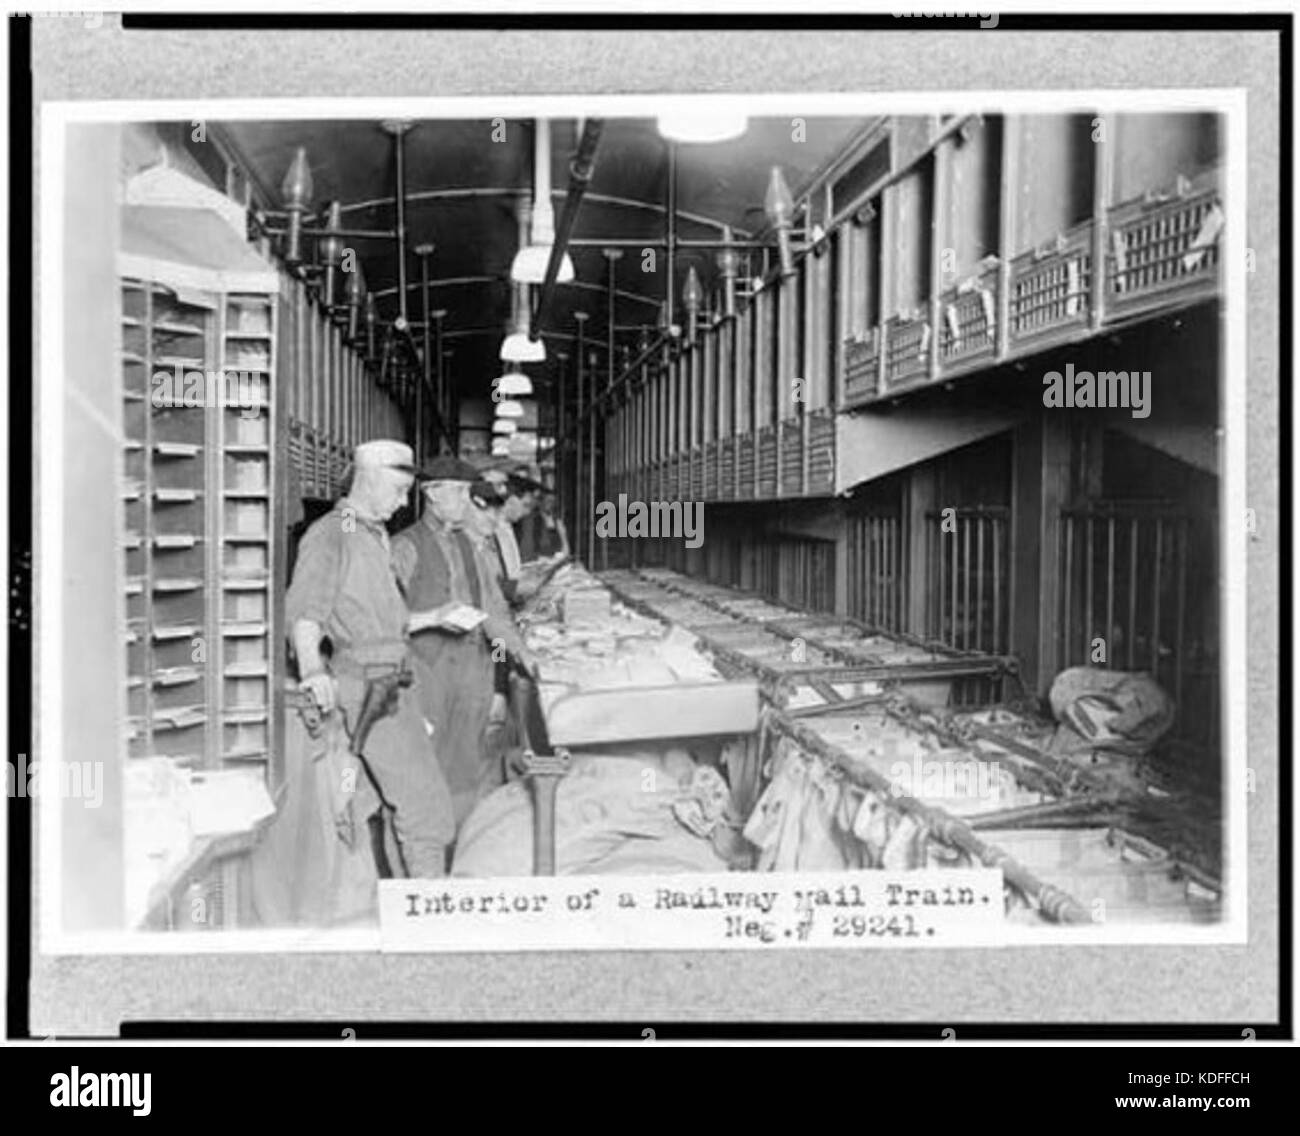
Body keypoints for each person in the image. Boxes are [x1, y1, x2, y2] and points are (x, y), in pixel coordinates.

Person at [285, 439, 454, 879]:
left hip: (393, 680)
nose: (403, 503)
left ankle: (409, 904)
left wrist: (433, 617)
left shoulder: (370, 533)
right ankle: (429, 919)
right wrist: (311, 669)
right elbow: (306, 611)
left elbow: (379, 620)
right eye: (398, 490)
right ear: (369, 478)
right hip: (370, 685)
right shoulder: (333, 533)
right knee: (424, 810)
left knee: (402, 805)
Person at [391, 455, 535, 827]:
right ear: (433, 495)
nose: (465, 501)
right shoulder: (404, 547)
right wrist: (432, 619)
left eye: (467, 492)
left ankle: (460, 851)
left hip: (473, 674)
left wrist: (522, 654)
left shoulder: (471, 548)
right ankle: (426, 861)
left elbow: (494, 612)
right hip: (427, 675)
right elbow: (380, 622)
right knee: (425, 773)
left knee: (467, 772)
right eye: (459, 492)